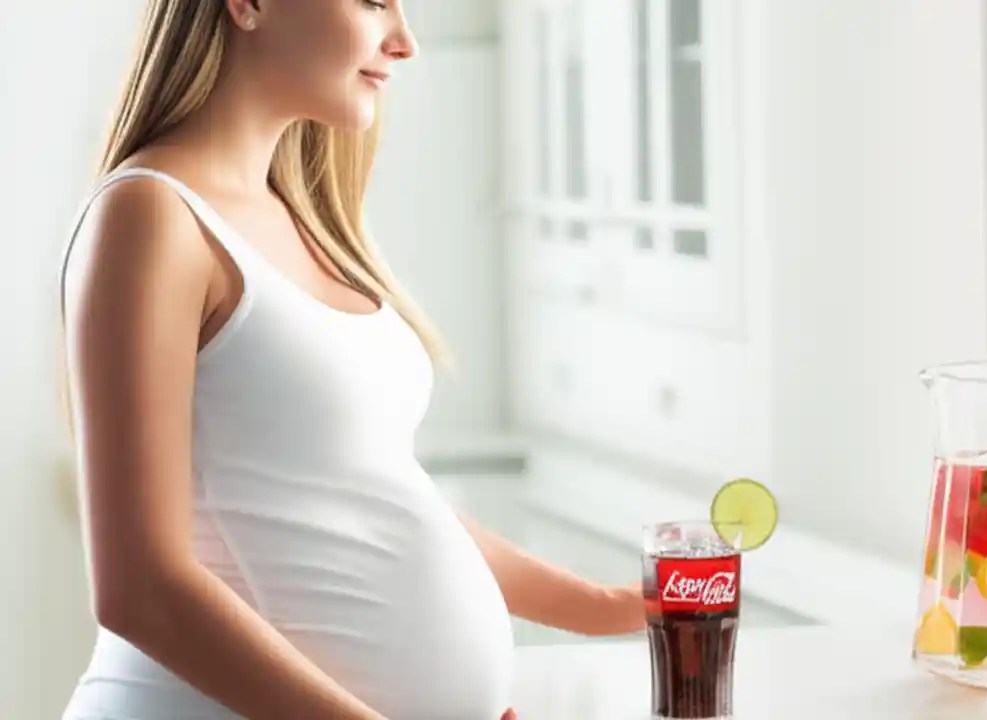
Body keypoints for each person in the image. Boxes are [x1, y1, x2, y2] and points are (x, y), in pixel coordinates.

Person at [56, 2, 644, 718]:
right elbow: (139, 588)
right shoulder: (151, 216)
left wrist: (616, 606)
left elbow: (374, 499)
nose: (404, 42)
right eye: (372, 2)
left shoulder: (297, 218)